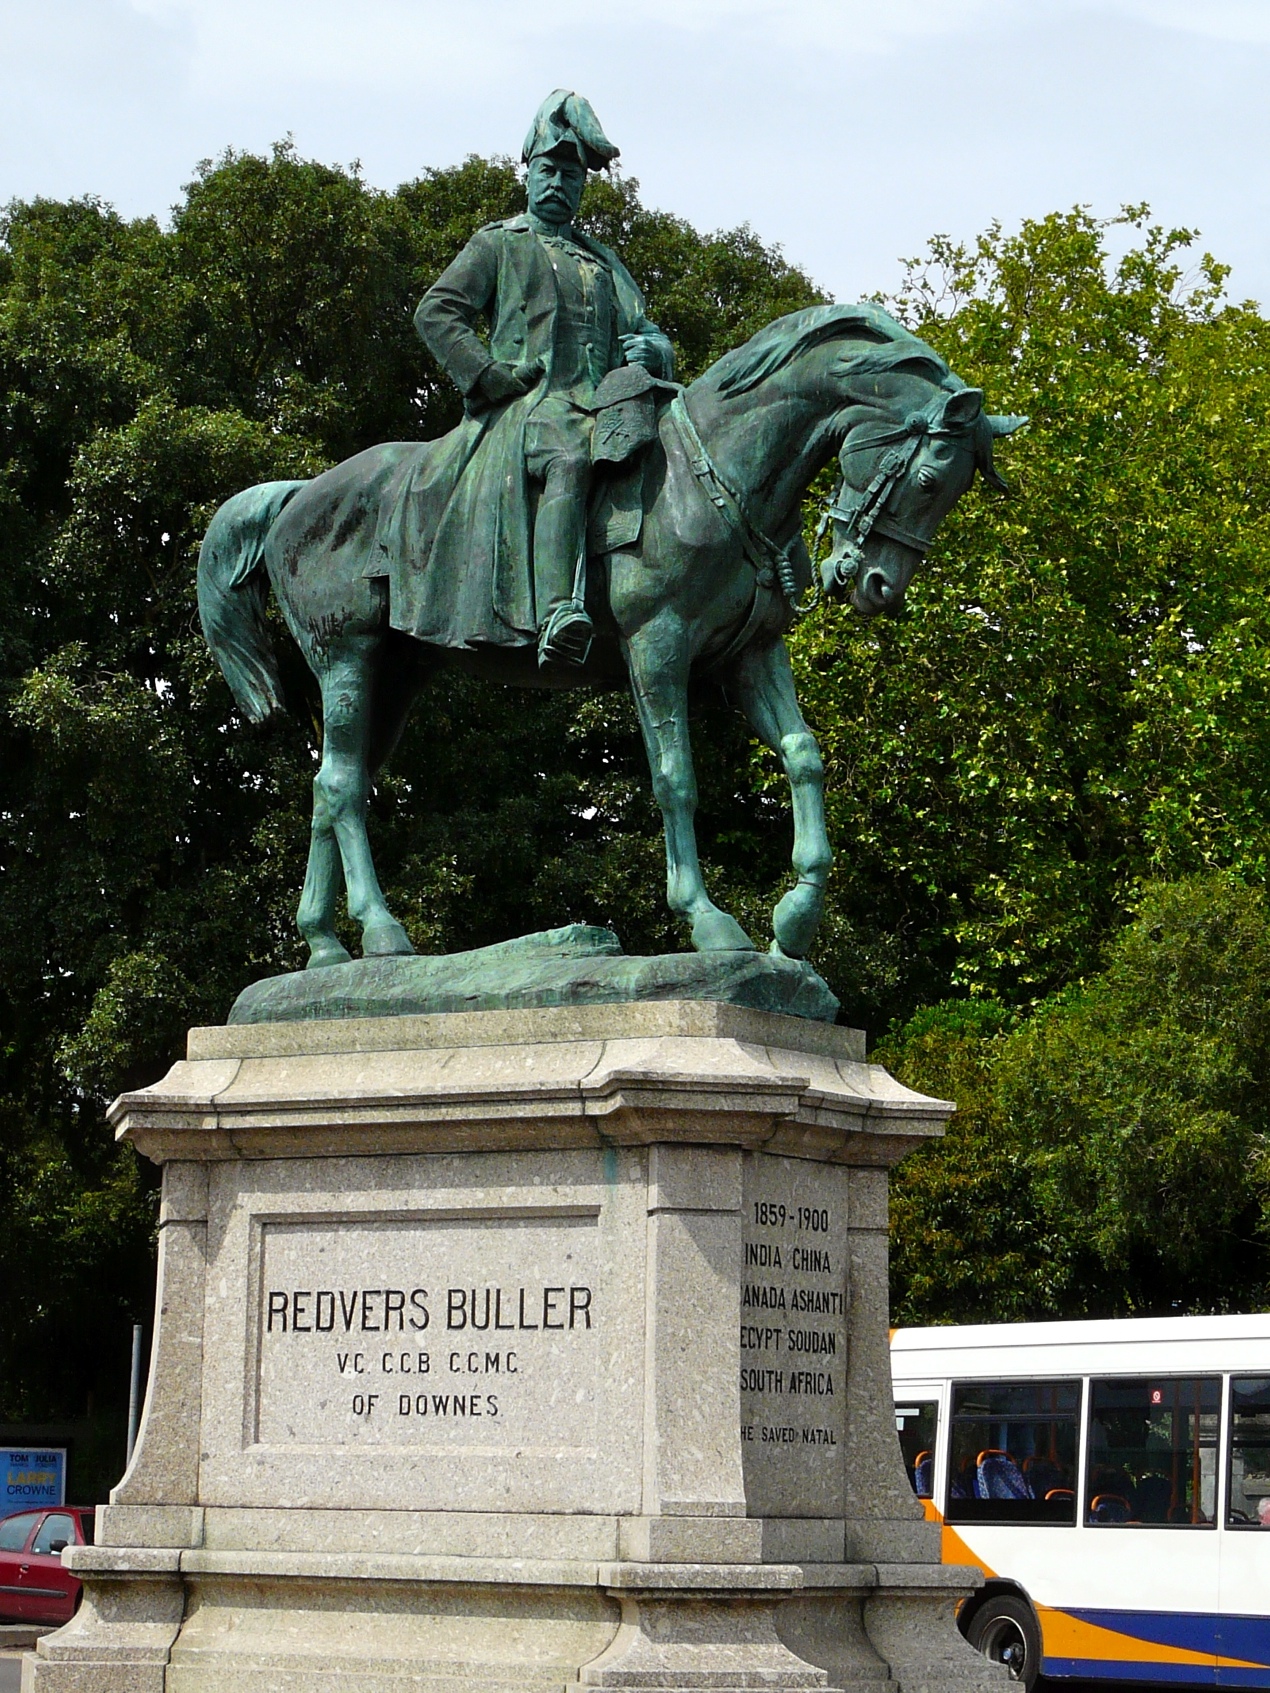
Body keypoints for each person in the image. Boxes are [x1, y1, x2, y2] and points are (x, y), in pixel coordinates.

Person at [412, 90, 675, 666]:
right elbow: (436, 311)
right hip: (531, 408)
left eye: (571, 176)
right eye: (548, 171)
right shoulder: (499, 244)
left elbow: (648, 329)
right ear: (528, 175)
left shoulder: (603, 260)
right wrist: (485, 372)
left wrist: (653, 350)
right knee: (570, 458)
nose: (558, 183)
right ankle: (559, 610)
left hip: (603, 405)